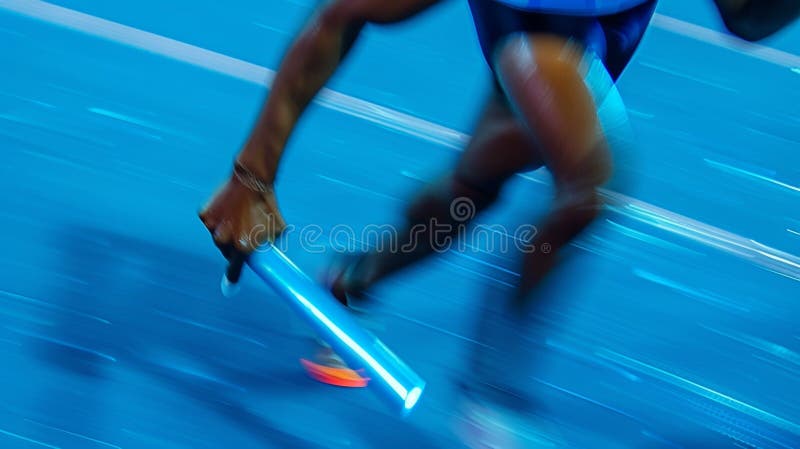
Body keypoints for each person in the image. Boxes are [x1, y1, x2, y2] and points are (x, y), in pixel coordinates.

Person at [199, 0, 798, 444]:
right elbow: (341, 14)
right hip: (536, 23)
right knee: (589, 187)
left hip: (608, 24)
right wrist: (251, 176)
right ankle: (492, 405)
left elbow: (744, 17)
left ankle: (351, 282)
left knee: (475, 187)